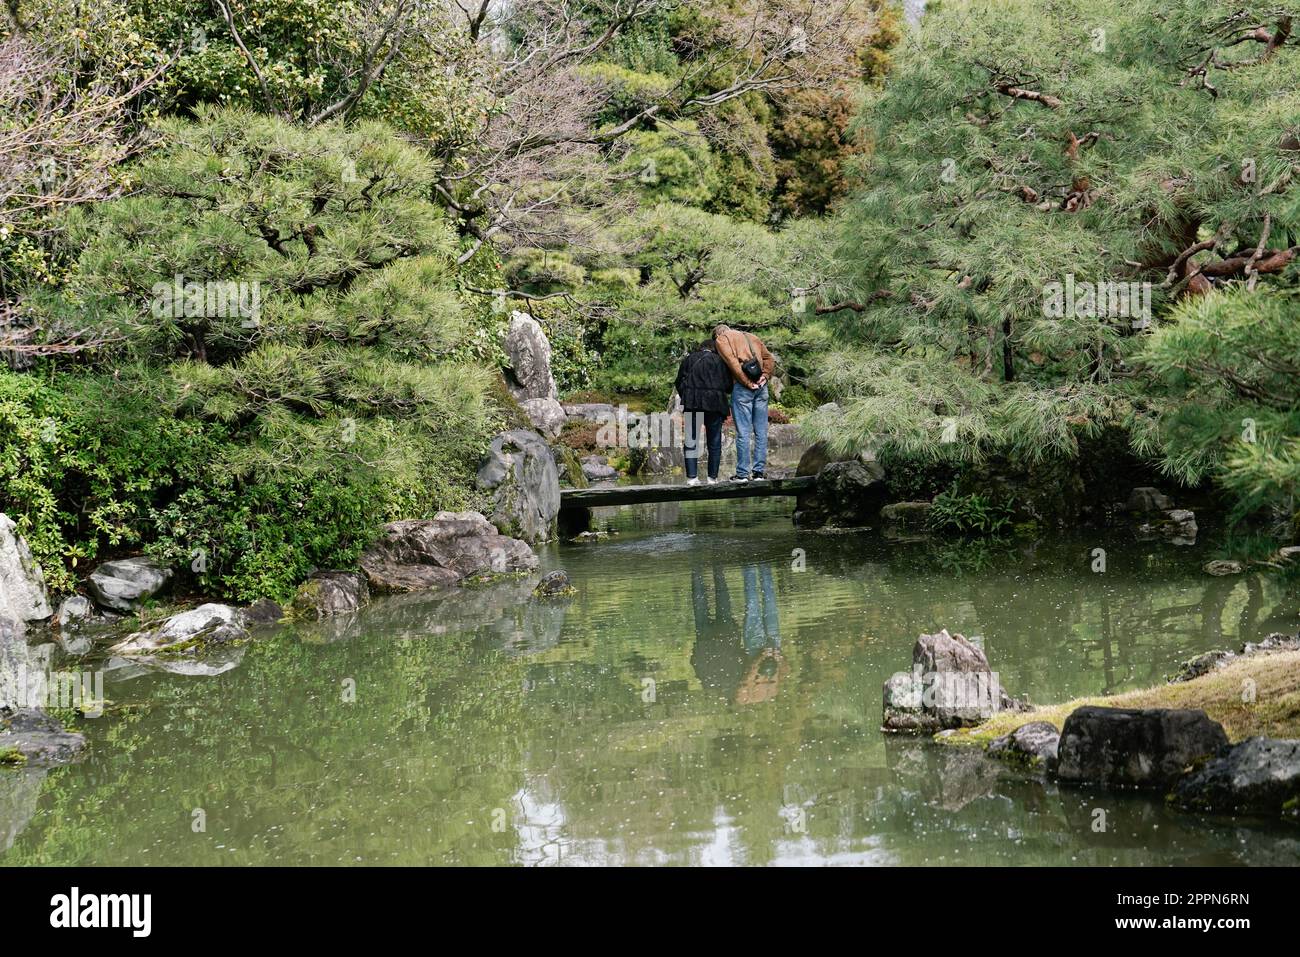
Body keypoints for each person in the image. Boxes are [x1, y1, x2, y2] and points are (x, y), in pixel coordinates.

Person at [712, 323, 774, 482]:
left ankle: (742, 474)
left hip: (743, 387)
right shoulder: (752, 336)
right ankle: (759, 473)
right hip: (762, 387)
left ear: (718, 334)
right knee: (761, 431)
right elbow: (769, 358)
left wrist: (746, 382)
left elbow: (733, 363)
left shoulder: (722, 339)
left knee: (743, 432)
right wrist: (765, 376)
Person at [674, 338, 732, 485]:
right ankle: (712, 478)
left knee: (691, 440)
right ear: (714, 349)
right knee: (714, 442)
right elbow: (728, 385)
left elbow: (679, 381)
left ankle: (692, 477)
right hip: (715, 404)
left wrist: (687, 395)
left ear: (701, 348)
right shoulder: (720, 361)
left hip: (693, 403)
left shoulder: (689, 359)